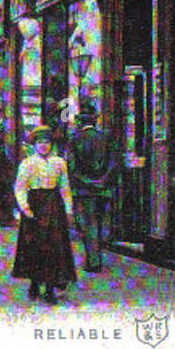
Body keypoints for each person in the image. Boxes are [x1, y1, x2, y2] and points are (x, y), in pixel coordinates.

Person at [12, 125, 76, 305]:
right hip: (35, 205)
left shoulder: (59, 163)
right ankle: (34, 282)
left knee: (54, 246)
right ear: (34, 145)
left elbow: (65, 187)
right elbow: (20, 187)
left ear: (52, 144)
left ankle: (49, 288)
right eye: (40, 143)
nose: (44, 146)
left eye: (47, 142)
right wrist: (25, 208)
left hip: (53, 206)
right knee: (34, 245)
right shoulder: (27, 164)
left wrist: (69, 209)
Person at [66, 102, 115, 273]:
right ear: (95, 121)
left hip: (84, 189)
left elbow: (71, 167)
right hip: (103, 188)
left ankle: (93, 261)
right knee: (100, 221)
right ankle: (98, 255)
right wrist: (103, 181)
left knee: (88, 223)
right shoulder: (105, 138)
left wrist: (83, 182)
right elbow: (113, 163)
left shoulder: (74, 139)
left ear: (80, 121)